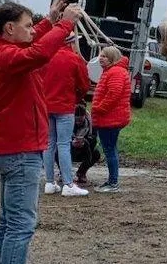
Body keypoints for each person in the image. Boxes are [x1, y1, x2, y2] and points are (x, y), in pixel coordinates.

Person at [0, 0, 83, 264]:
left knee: (8, 222)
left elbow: (34, 44)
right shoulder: (9, 55)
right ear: (10, 29)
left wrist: (50, 21)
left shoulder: (2, 51)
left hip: (11, 148)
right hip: (22, 150)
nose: (32, 29)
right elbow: (38, 53)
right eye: (26, 25)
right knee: (22, 224)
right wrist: (64, 23)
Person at [42, 33, 90, 197]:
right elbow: (84, 84)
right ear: (71, 42)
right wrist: (76, 98)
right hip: (65, 106)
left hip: (46, 105)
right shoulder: (74, 59)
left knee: (49, 144)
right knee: (63, 144)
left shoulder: (46, 56)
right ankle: (68, 183)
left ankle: (49, 182)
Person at [91, 46, 131, 193]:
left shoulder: (115, 72)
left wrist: (99, 108)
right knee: (110, 149)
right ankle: (112, 180)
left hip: (110, 119)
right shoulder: (113, 71)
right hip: (110, 118)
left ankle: (113, 182)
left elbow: (113, 94)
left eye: (105, 56)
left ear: (112, 59)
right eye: (101, 55)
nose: (101, 58)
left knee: (109, 150)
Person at [54, 102, 101, 185]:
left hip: (85, 150)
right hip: (70, 149)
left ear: (85, 117)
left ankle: (81, 173)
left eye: (81, 120)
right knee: (57, 150)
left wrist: (85, 142)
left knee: (96, 153)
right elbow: (61, 138)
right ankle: (63, 172)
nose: (78, 122)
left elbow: (94, 140)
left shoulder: (91, 124)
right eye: (77, 120)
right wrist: (72, 142)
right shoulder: (68, 122)